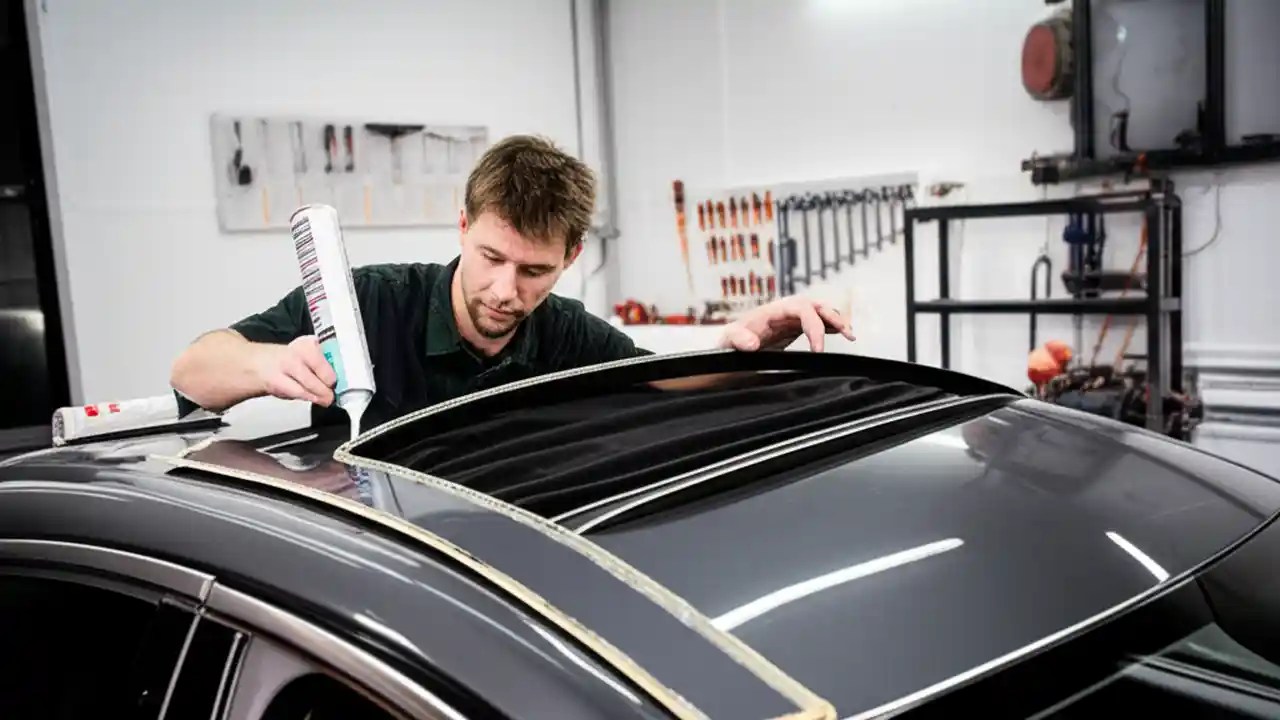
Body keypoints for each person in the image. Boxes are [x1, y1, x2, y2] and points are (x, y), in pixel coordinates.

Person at [170, 134, 854, 431]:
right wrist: (267, 362)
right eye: (491, 257)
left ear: (573, 255)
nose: (505, 290)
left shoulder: (564, 332)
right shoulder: (369, 301)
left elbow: (667, 380)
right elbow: (194, 371)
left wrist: (752, 346)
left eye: (534, 271)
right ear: (462, 224)